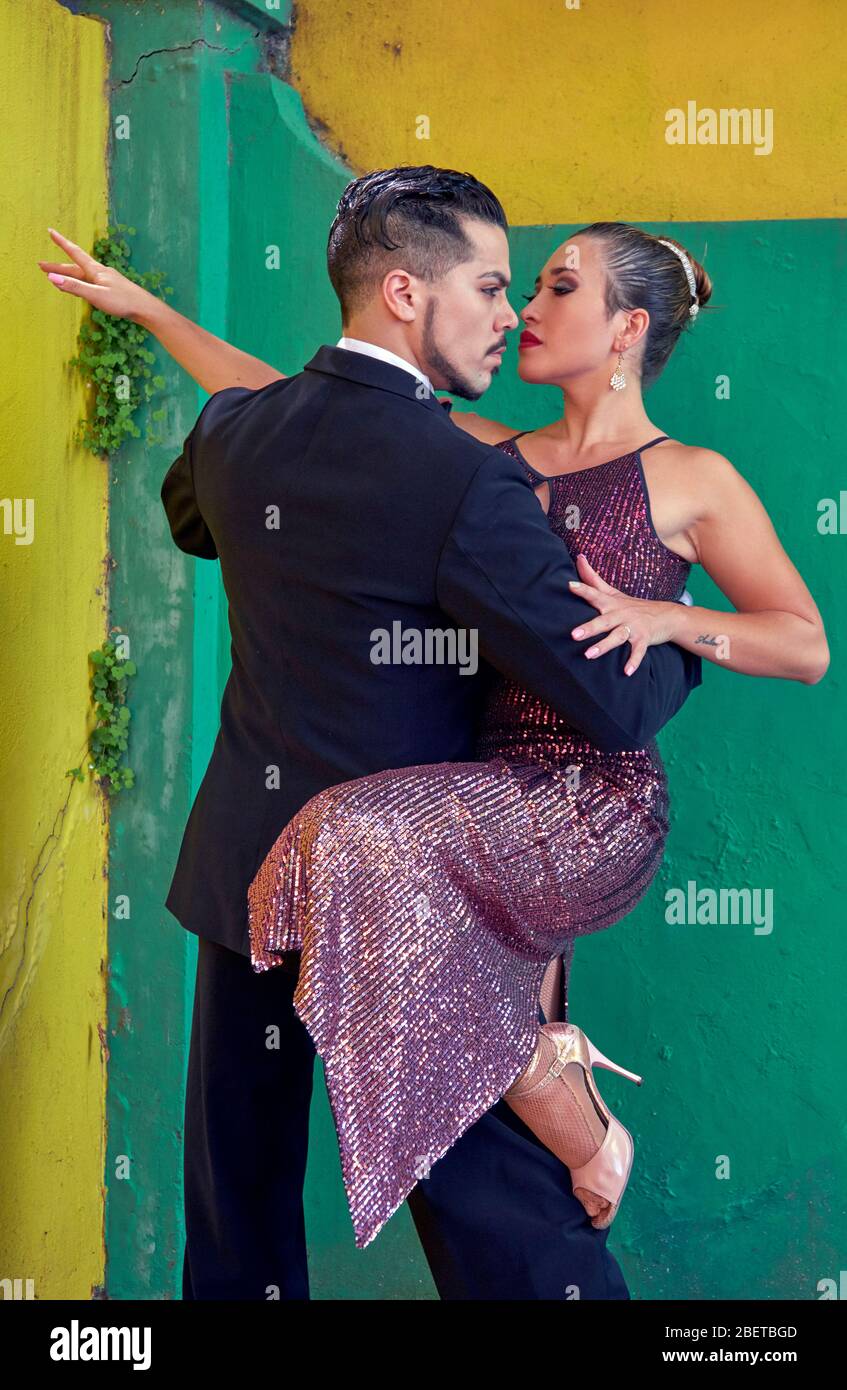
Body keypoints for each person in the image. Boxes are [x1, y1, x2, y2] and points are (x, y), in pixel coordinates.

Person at [35, 168, 820, 1296]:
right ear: (409, 293)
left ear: (630, 328)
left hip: (255, 861)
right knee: (496, 1215)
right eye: (504, 286)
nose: (518, 313)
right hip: (407, 884)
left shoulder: (247, 438)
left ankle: (567, 1105)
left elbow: (261, 428)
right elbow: (615, 702)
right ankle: (578, 1125)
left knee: (238, 1202)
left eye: (546, 287)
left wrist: (674, 616)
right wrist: (664, 664)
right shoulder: (472, 475)